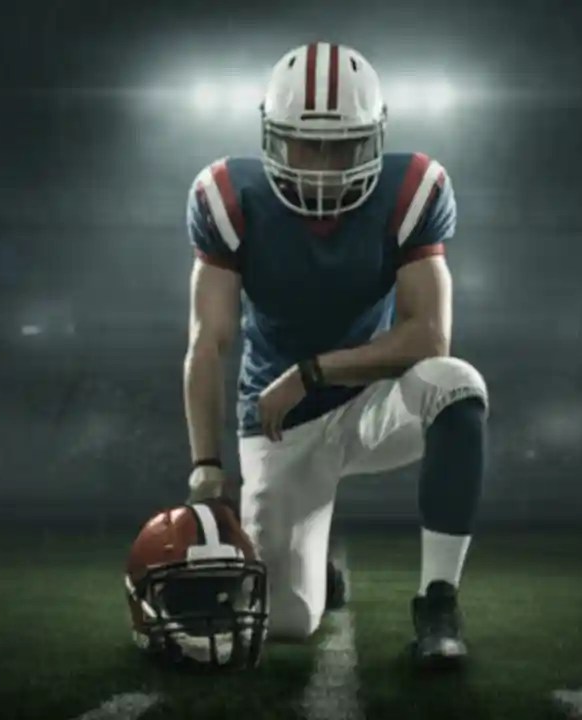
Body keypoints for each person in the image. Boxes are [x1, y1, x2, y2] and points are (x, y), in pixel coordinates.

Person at [182, 42, 488, 668]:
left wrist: (312, 372)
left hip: (373, 401)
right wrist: (207, 465)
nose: (322, 166)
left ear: (372, 138)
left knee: (456, 384)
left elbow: (430, 337)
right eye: (306, 145)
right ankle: (314, 558)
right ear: (273, 138)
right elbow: (208, 341)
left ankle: (438, 602)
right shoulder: (227, 197)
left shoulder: (412, 190)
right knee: (288, 622)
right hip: (278, 421)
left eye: (340, 145)